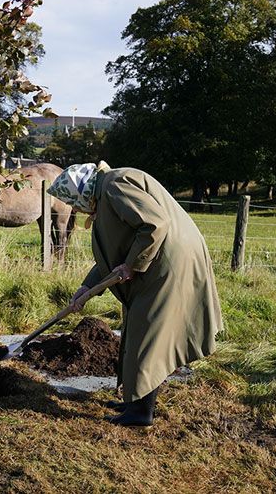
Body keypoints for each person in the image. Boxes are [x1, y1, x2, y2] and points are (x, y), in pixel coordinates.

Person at [48, 163, 223, 427]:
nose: (77, 209)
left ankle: (141, 413)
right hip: (156, 264)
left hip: (168, 264)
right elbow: (113, 255)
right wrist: (86, 287)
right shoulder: (107, 191)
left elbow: (155, 224)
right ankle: (134, 399)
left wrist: (132, 264)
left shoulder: (114, 186)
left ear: (82, 193)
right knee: (137, 326)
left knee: (147, 333)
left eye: (74, 202)